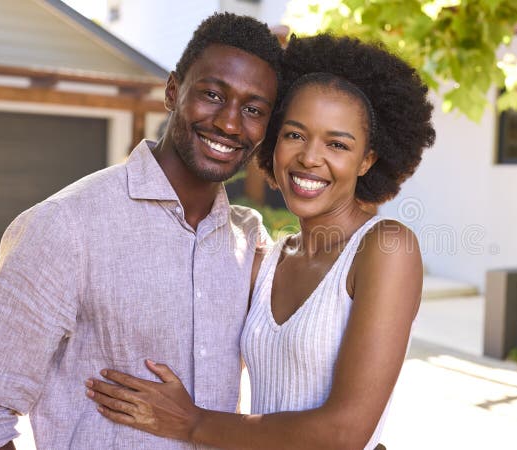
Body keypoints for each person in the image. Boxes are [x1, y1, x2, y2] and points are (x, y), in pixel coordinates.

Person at [0, 13, 283, 449]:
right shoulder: (66, 226)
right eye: (213, 94)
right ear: (172, 91)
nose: (230, 123)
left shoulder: (249, 242)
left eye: (253, 109)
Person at [85, 34, 436, 449]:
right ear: (273, 142)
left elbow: (345, 432)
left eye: (337, 144)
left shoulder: (385, 248)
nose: (309, 157)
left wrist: (191, 423)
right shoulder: (267, 259)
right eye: (294, 135)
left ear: (367, 160)